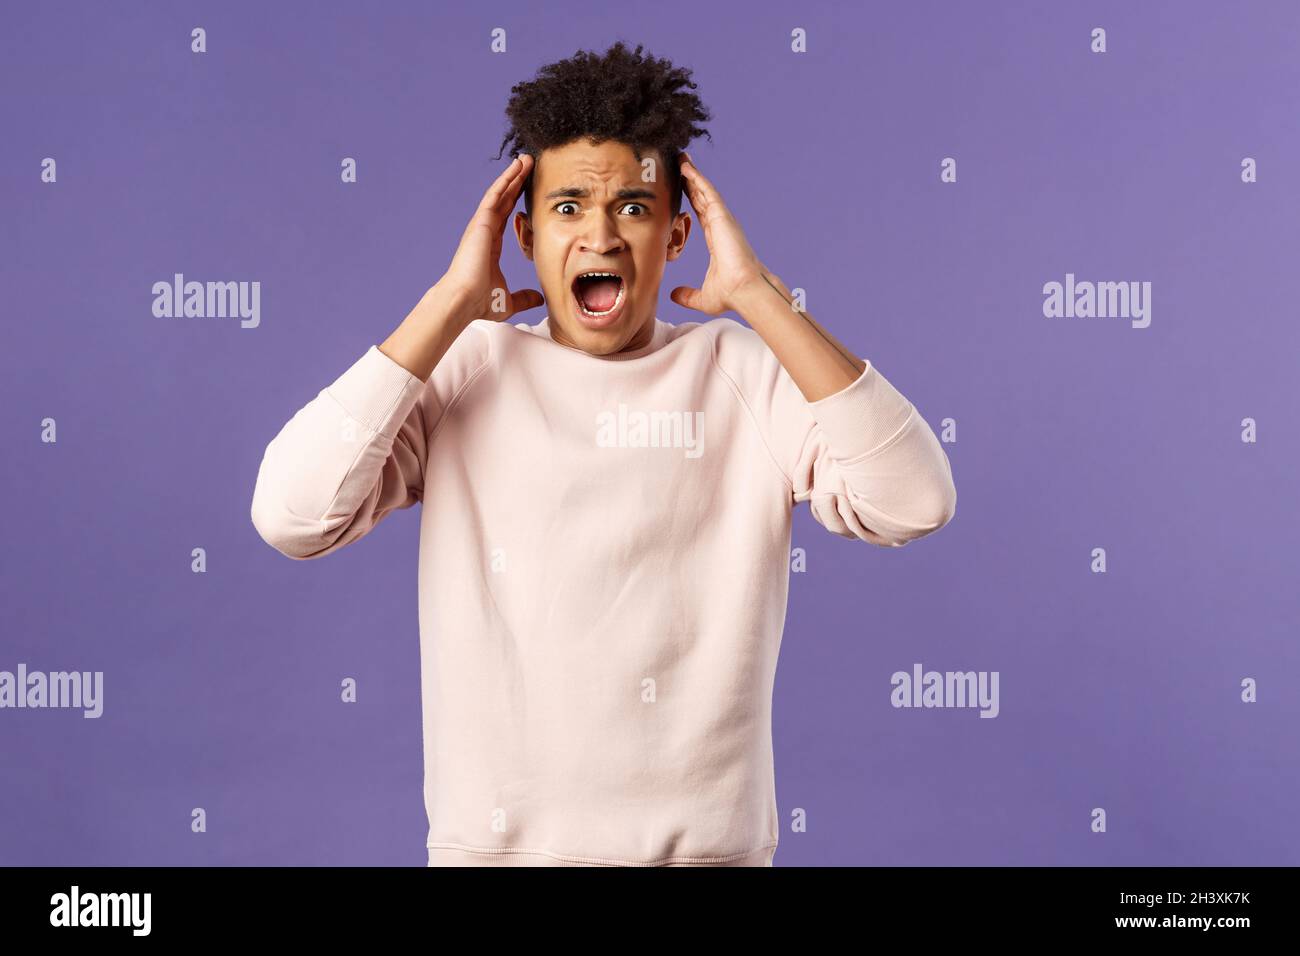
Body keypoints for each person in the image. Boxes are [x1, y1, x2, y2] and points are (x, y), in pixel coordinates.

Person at [250, 41, 956, 867]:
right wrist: (447, 305)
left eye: (632, 206)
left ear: (677, 232)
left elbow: (915, 500)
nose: (601, 235)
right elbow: (291, 515)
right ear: (522, 234)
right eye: (568, 206)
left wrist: (761, 299)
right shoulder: (468, 370)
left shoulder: (740, 373)